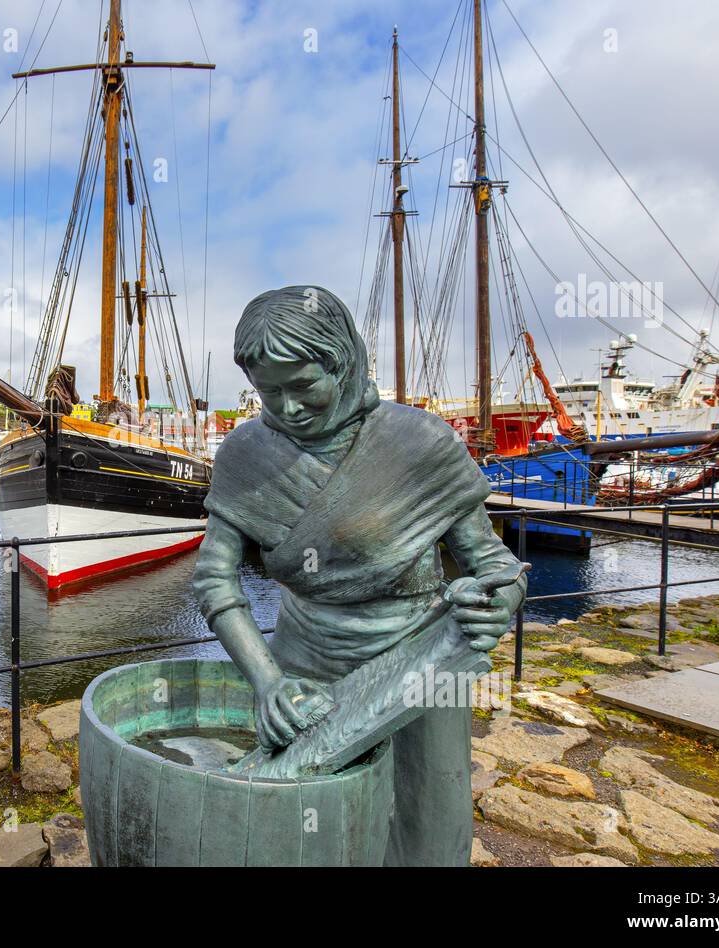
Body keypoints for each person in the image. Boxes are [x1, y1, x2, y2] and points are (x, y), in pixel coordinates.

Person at [192, 285, 526, 865]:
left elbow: (492, 562)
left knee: (429, 818)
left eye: (302, 387)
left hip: (422, 659)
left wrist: (501, 597)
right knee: (305, 824)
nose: (288, 408)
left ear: (342, 364)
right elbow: (215, 580)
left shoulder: (418, 442)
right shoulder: (245, 453)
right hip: (303, 668)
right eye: (269, 393)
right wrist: (268, 681)